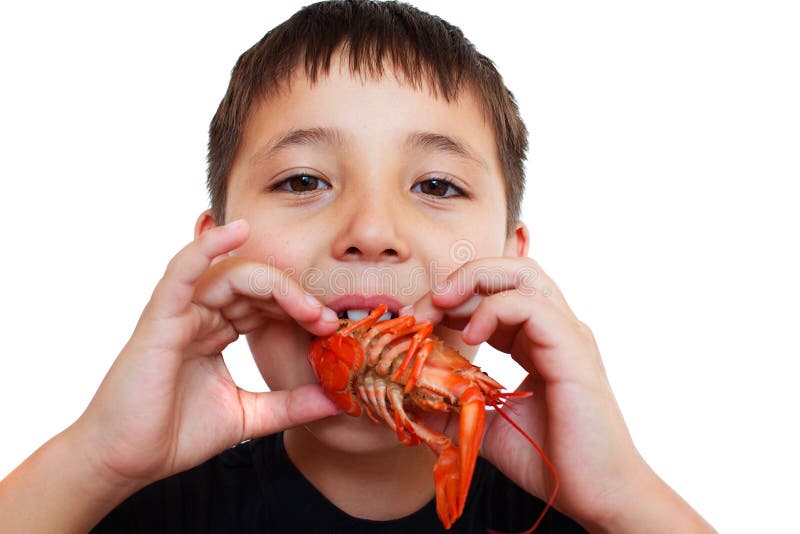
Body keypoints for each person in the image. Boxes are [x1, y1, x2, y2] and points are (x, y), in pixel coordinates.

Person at [0, 1, 715, 532]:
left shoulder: (594, 513)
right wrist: (96, 459)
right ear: (216, 258)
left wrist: (625, 500)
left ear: (508, 264)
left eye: (436, 185)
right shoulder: (122, 502)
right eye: (303, 181)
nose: (371, 232)